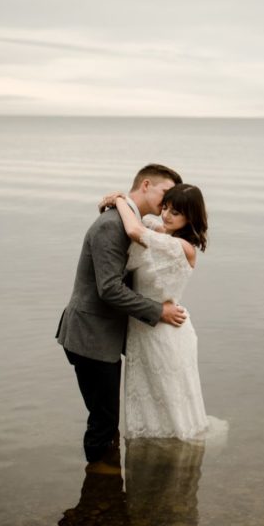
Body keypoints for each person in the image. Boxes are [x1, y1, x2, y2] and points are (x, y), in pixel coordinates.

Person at [57, 164, 188, 472]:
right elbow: (109, 290)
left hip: (103, 334)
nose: (168, 205)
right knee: (103, 420)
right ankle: (99, 489)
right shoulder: (110, 225)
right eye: (165, 194)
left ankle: (104, 486)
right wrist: (159, 311)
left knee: (106, 417)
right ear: (145, 185)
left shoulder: (130, 218)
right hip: (90, 335)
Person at [100, 183, 212, 440]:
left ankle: (169, 457)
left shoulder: (183, 247)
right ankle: (149, 460)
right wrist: (132, 204)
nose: (167, 215)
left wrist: (119, 199)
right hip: (145, 328)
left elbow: (134, 229)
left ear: (190, 218)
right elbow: (149, 220)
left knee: (168, 400)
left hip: (164, 332)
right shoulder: (164, 233)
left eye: (177, 212)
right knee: (148, 398)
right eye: (167, 207)